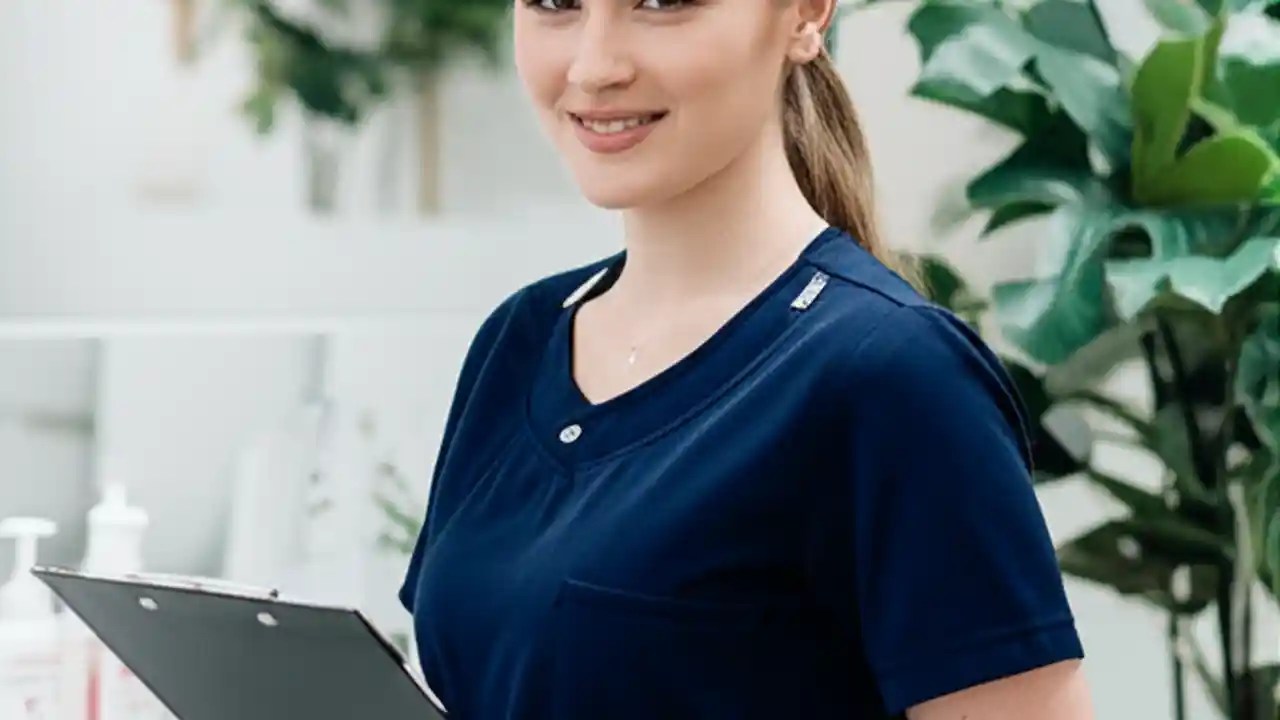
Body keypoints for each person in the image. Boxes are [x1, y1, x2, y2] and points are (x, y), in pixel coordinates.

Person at [398, 0, 1094, 717]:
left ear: (805, 15)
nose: (594, 65)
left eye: (662, 3)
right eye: (555, 3)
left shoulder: (893, 375)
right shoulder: (522, 339)